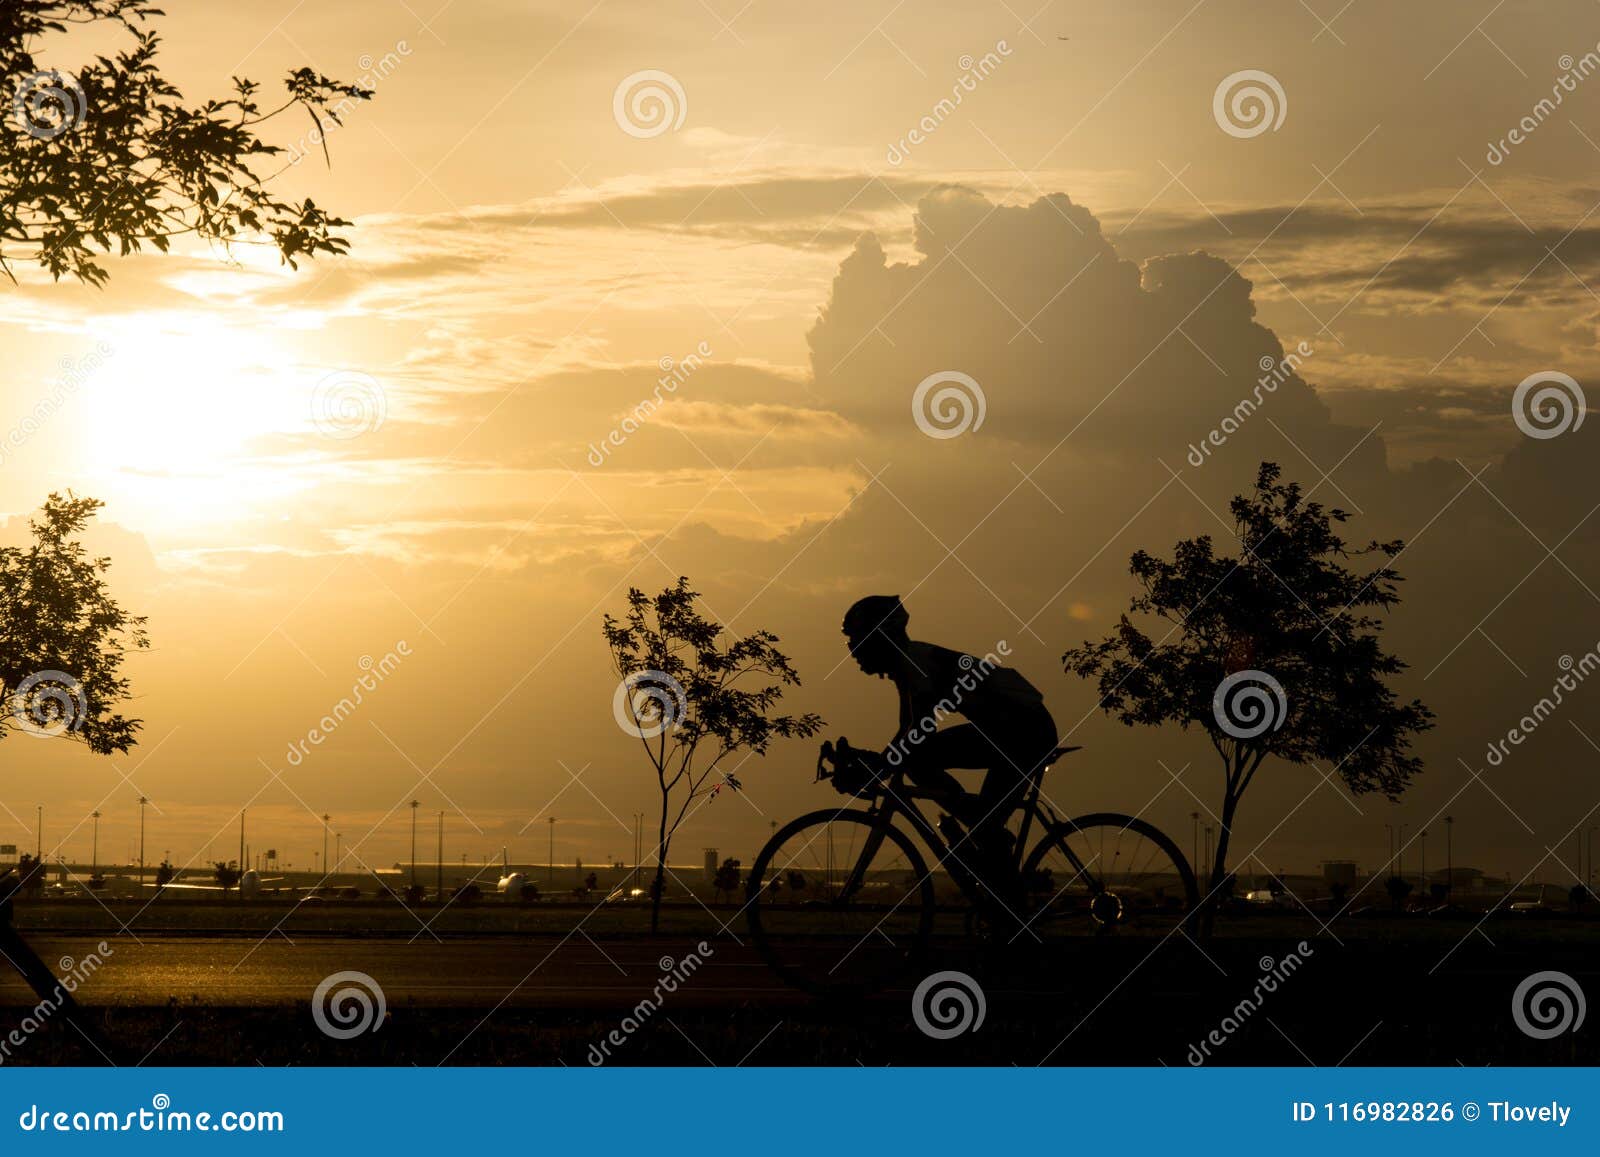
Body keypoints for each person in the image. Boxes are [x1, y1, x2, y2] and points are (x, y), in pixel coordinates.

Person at [841, 594, 1057, 902]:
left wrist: (877, 766)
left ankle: (1006, 890)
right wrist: (877, 762)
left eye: (857, 642)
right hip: (1013, 729)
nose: (852, 651)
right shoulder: (908, 666)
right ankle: (993, 865)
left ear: (880, 639)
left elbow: (918, 732)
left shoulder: (916, 663)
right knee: (978, 820)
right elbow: (907, 732)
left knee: (923, 765)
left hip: (1024, 731)